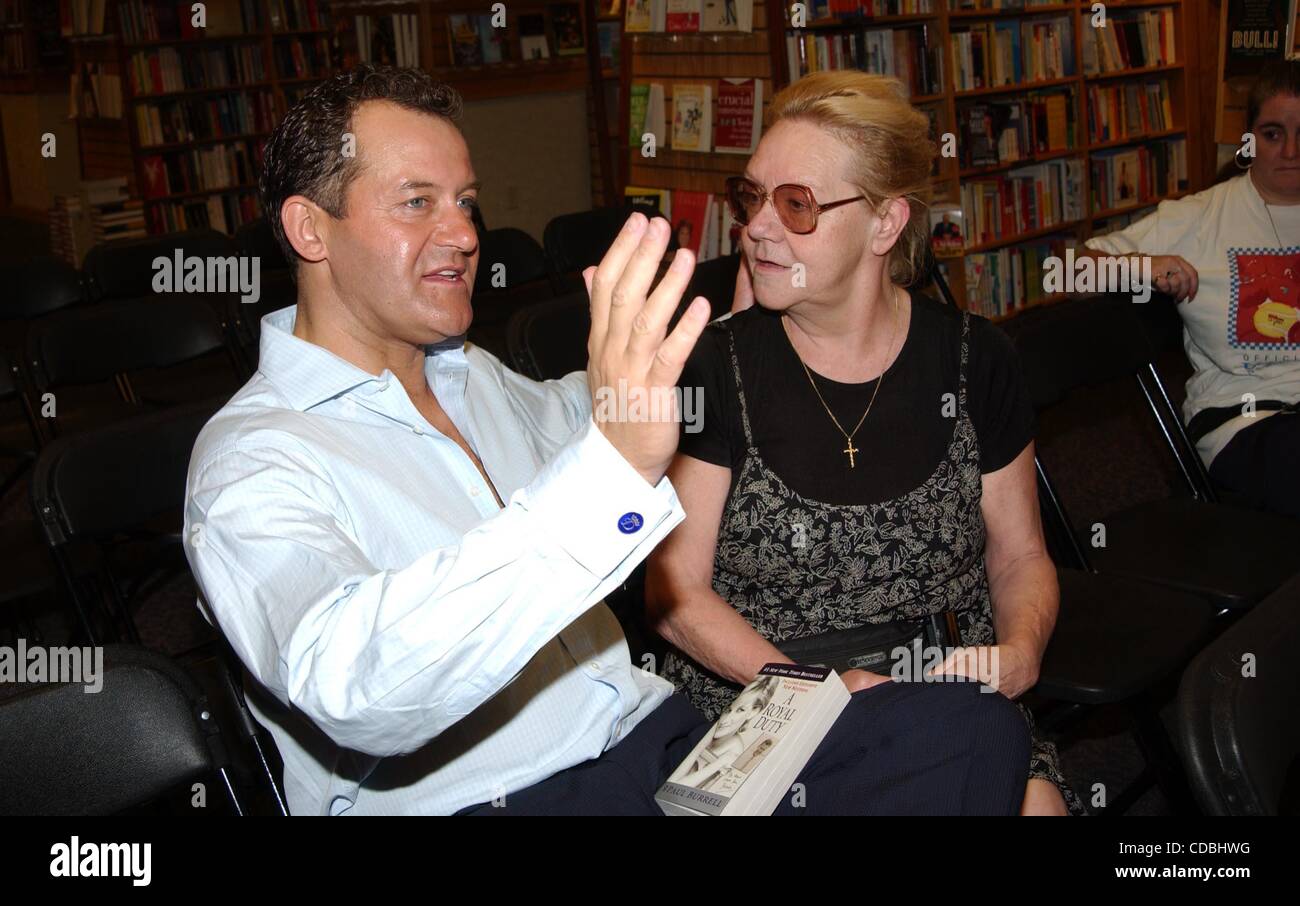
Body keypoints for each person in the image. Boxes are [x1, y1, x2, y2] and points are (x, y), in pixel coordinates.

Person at [184, 65, 1030, 816]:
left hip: (666, 756)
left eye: (466, 202)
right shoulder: (255, 460)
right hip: (504, 798)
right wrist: (612, 471)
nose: (465, 233)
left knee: (971, 733)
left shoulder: (469, 376)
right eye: (417, 203)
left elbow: (600, 410)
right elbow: (357, 686)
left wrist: (715, 337)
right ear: (309, 229)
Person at [646, 70, 1081, 816]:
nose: (756, 227)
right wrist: (819, 695)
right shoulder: (712, 368)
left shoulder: (977, 361)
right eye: (752, 197)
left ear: (886, 225)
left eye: (797, 205)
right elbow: (674, 595)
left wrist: (1023, 650)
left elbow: (1021, 556)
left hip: (944, 688)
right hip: (763, 698)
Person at [1082, 59, 1300, 518]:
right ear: (1248, 140)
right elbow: (1070, 271)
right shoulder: (1200, 216)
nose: (1291, 151)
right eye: (1273, 133)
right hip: (1245, 419)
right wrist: (1142, 265)